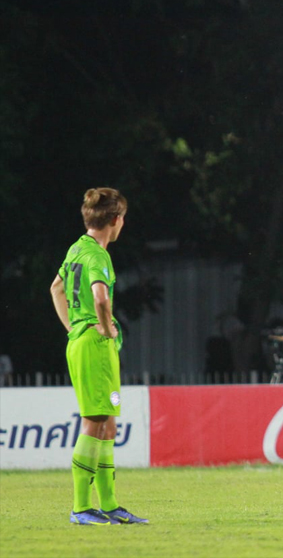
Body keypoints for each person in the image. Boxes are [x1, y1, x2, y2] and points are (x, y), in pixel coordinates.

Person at [49, 188, 148, 525]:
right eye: (123, 219)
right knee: (94, 422)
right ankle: (80, 507)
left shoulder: (76, 249)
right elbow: (101, 298)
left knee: (107, 424)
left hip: (81, 339)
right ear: (115, 220)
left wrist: (72, 327)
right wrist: (102, 328)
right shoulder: (97, 256)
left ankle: (109, 504)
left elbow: (56, 288)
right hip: (94, 344)